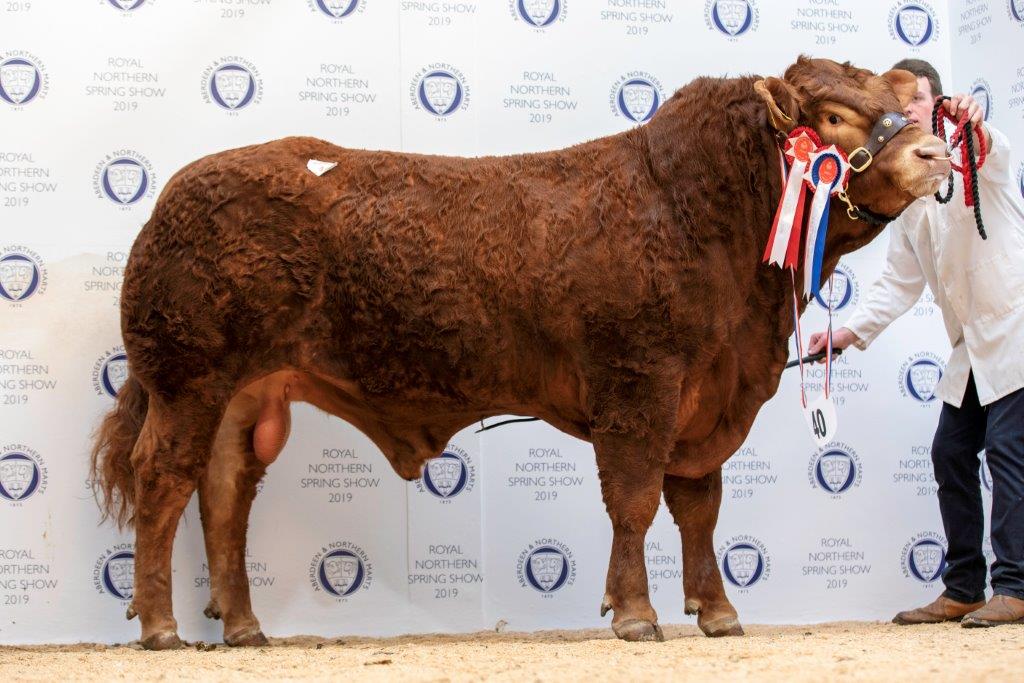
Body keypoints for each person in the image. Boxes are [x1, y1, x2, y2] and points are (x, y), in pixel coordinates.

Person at [808, 58, 1024, 627]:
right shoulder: (906, 191)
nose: (906, 112)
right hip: (973, 351)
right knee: (950, 453)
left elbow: (995, 150)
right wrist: (850, 332)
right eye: (896, 106)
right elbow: (899, 281)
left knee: (1006, 452)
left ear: (938, 104)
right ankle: (964, 590)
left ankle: (1017, 587)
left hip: (1018, 335)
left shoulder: (977, 155)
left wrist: (976, 125)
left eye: (917, 103)